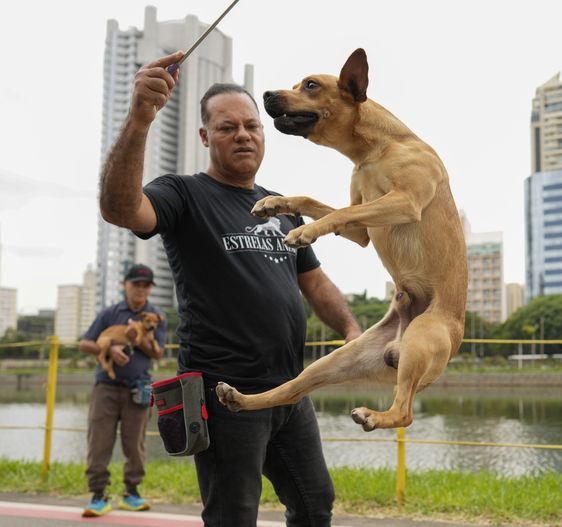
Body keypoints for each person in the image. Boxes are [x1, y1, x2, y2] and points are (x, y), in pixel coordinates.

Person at [99, 51, 362, 527]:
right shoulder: (183, 194)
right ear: (205, 136)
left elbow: (315, 282)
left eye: (251, 125)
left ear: (264, 133)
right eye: (226, 127)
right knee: (232, 515)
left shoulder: (280, 205)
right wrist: (139, 123)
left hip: (290, 390)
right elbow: (122, 210)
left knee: (314, 502)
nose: (242, 134)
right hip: (224, 396)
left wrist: (351, 331)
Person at [79, 263, 167, 517]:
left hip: (138, 388)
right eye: (135, 284)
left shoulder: (156, 316)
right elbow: (86, 343)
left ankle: (132, 492)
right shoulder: (109, 313)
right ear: (124, 285)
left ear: (150, 289)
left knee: (135, 444)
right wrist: (109, 349)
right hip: (106, 388)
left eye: (145, 285)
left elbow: (158, 353)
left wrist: (137, 338)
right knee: (99, 442)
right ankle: (98, 494)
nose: (140, 289)